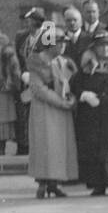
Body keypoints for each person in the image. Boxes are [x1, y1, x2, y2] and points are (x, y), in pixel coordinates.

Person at [22, 22, 79, 198]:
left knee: (59, 147)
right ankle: (42, 182)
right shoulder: (36, 61)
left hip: (61, 111)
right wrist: (62, 103)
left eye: (64, 43)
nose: (63, 46)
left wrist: (71, 98)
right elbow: (39, 89)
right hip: (44, 110)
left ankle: (55, 182)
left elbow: (72, 85)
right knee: (44, 145)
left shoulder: (64, 62)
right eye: (59, 42)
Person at [71, 29, 108, 196]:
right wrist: (84, 95)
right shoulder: (86, 66)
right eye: (101, 46)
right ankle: (99, 184)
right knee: (95, 150)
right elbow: (74, 86)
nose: (105, 49)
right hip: (92, 116)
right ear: (94, 48)